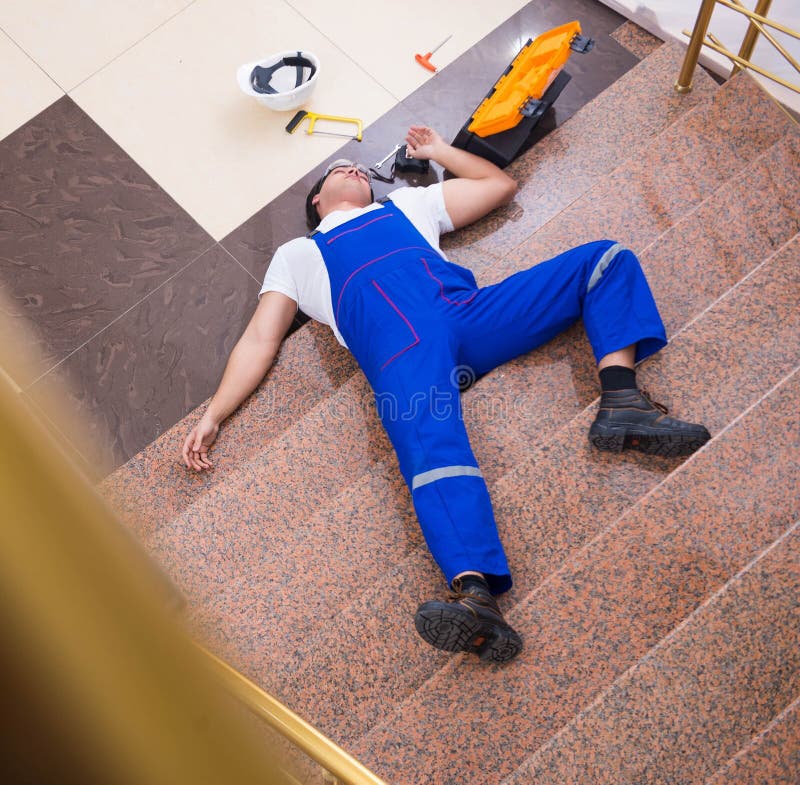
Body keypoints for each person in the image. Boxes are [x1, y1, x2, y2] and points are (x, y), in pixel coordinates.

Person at [182, 126, 710, 664]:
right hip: (401, 351)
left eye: (360, 169)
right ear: (317, 202)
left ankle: (623, 402)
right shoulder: (298, 254)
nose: (354, 169)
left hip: (470, 314)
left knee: (605, 259)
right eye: (338, 170)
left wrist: (436, 152)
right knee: (431, 452)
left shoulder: (410, 205)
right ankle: (476, 595)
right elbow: (260, 338)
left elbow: (498, 184)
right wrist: (216, 414)